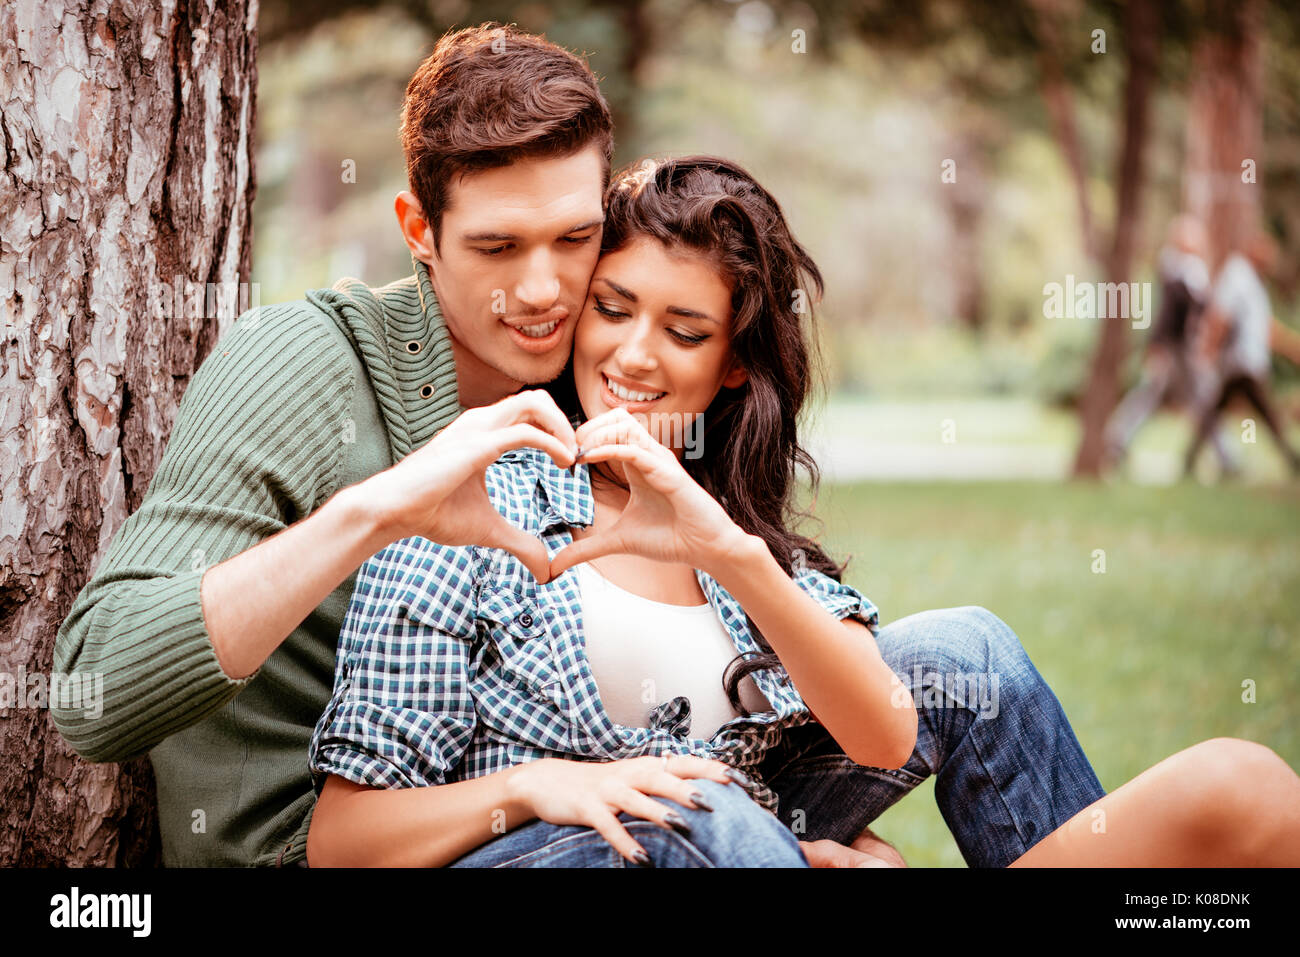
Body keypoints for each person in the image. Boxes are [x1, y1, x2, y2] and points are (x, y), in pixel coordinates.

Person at [53, 24, 1092, 869]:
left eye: (573, 240)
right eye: (497, 247)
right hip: (330, 844)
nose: (544, 291)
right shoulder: (305, 364)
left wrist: (804, 819)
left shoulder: (586, 374)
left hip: (603, 782)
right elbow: (96, 691)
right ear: (418, 229)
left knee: (966, 662)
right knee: (692, 820)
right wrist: (376, 510)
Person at [306, 156, 1300, 867]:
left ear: (730, 364)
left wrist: (730, 554)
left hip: (728, 835)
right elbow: (341, 842)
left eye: (683, 329)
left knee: (981, 660)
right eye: (611, 308)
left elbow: (877, 734)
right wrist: (533, 789)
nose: (635, 354)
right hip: (562, 847)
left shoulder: (733, 533)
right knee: (692, 808)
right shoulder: (481, 500)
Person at [1103, 215, 1237, 475]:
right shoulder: (1179, 269)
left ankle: (1224, 457)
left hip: (1182, 349)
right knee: (1188, 396)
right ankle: (1117, 441)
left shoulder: (1186, 269)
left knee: (1190, 397)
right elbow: (1168, 315)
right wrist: (1159, 346)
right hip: (1178, 349)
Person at [1183, 231, 1300, 478]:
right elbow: (1221, 316)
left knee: (1214, 412)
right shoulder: (1237, 275)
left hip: (1247, 361)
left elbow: (1263, 326)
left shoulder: (1255, 282)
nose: (1271, 260)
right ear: (1254, 250)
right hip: (1239, 361)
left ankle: (1190, 459)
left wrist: (1291, 348)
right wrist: (1209, 351)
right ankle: (1292, 459)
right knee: (1265, 413)